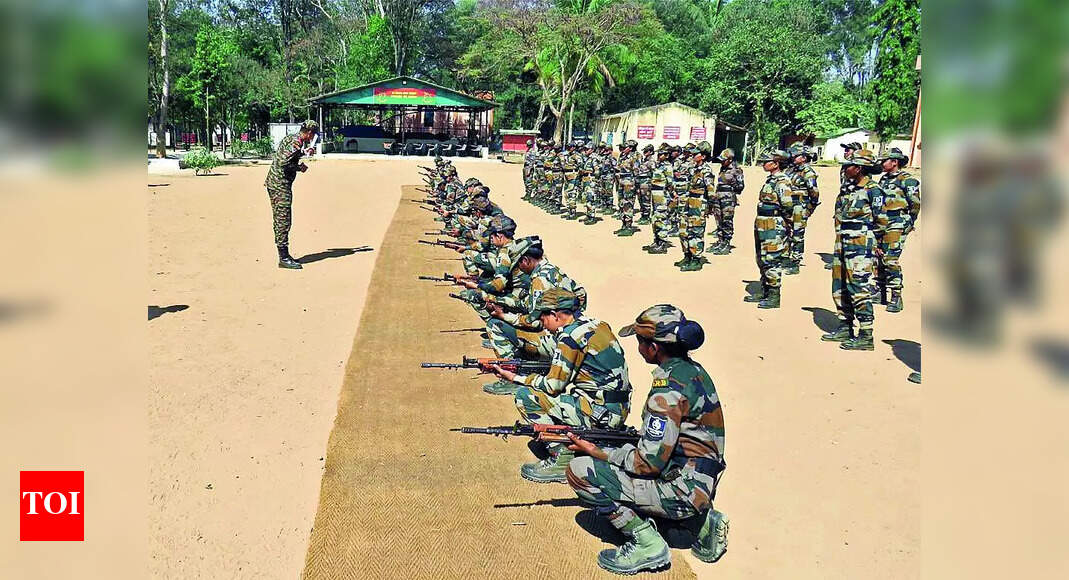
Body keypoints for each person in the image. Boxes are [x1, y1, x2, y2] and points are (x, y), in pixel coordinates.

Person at [565, 304, 728, 575]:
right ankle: (702, 524)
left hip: (683, 490)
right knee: (622, 449)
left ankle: (647, 544)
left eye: (641, 342)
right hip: (700, 480)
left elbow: (647, 465)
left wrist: (597, 450)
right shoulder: (692, 371)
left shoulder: (666, 392)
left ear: (654, 348)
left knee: (580, 471)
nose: (639, 348)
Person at [484, 288, 631, 483]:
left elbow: (553, 385)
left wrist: (515, 378)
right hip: (617, 408)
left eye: (543, 319)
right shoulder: (595, 325)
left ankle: (561, 458)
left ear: (554, 315)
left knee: (525, 396)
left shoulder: (569, 338)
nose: (542, 325)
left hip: (601, 414)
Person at [482, 237, 589, 394]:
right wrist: (501, 302)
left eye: (518, 263)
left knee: (495, 325)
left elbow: (535, 323)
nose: (519, 267)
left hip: (558, 341)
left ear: (525, 260)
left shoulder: (539, 279)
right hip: (572, 331)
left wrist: (503, 316)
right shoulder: (552, 269)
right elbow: (530, 304)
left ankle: (514, 376)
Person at [820, 150, 887, 350]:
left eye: (848, 165)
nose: (845, 168)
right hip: (842, 241)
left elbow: (881, 221)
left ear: (859, 168)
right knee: (839, 285)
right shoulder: (847, 188)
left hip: (860, 244)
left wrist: (876, 245)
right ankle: (844, 325)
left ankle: (866, 334)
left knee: (859, 286)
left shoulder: (873, 190)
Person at [264, 119, 319, 269]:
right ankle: (283, 257)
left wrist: (303, 152)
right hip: (279, 185)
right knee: (283, 220)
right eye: (313, 134)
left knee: (281, 218)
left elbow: (288, 153)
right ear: (309, 133)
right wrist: (299, 167)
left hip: (275, 183)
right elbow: (284, 162)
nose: (312, 137)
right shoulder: (297, 142)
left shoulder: (292, 138)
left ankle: (284, 254)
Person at [744, 149, 793, 308]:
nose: (764, 163)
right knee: (762, 257)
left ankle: (774, 296)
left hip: (773, 224)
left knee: (771, 258)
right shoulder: (771, 180)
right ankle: (765, 289)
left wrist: (784, 225)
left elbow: (787, 206)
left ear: (776, 164)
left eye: (767, 161)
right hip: (763, 223)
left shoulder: (782, 181)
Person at [875, 147, 921, 312]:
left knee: (890, 259)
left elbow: (915, 203)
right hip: (881, 222)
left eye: (884, 160)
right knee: (877, 256)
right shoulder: (883, 179)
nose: (881, 163)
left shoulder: (907, 180)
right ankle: (879, 291)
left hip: (897, 222)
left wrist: (910, 221)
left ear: (894, 162)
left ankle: (896, 295)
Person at [676, 141, 714, 272]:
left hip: (699, 203)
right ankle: (687, 255)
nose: (693, 155)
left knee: (696, 231)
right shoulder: (694, 169)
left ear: (703, 156)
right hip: (689, 201)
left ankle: (696, 259)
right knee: (683, 229)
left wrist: (709, 207)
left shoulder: (706, 171)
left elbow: (711, 191)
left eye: (696, 154)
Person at [784, 145, 820, 274]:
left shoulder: (808, 172)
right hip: (788, 206)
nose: (793, 157)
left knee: (798, 235)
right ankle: (787, 258)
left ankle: (795, 262)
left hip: (800, 206)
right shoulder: (791, 170)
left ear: (804, 158)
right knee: (787, 232)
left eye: (796, 155)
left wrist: (811, 207)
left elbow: (814, 192)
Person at [829, 142, 863, 269]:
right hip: (842, 201)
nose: (846, 152)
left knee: (851, 232)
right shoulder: (845, 167)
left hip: (853, 203)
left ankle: (850, 259)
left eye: (848, 150)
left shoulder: (861, 167)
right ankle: (839, 258)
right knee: (839, 230)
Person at [707, 148, 745, 255]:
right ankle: (720, 241)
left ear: (730, 159)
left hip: (728, 198)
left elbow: (740, 187)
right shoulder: (722, 168)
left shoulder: (736, 169)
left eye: (724, 160)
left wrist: (732, 185)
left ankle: (727, 242)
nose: (722, 162)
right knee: (719, 219)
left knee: (727, 220)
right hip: (718, 196)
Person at [642, 146, 674, 255]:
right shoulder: (658, 165)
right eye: (658, 154)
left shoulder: (667, 166)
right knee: (655, 218)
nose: (659, 156)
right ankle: (657, 240)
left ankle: (663, 242)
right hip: (655, 194)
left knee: (661, 218)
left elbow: (670, 183)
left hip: (662, 194)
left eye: (661, 154)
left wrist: (669, 195)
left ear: (667, 156)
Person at [614, 141, 640, 236]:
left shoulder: (634, 157)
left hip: (629, 183)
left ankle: (628, 226)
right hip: (621, 181)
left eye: (625, 147)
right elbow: (618, 168)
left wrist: (637, 186)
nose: (623, 149)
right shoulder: (622, 156)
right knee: (621, 203)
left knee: (628, 204)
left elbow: (637, 172)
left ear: (631, 148)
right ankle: (623, 224)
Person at [635, 144, 656, 225]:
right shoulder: (644, 160)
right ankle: (643, 215)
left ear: (650, 152)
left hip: (646, 182)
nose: (644, 152)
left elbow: (653, 173)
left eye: (646, 151)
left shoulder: (651, 161)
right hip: (641, 182)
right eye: (644, 151)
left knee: (646, 200)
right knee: (641, 199)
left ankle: (646, 217)